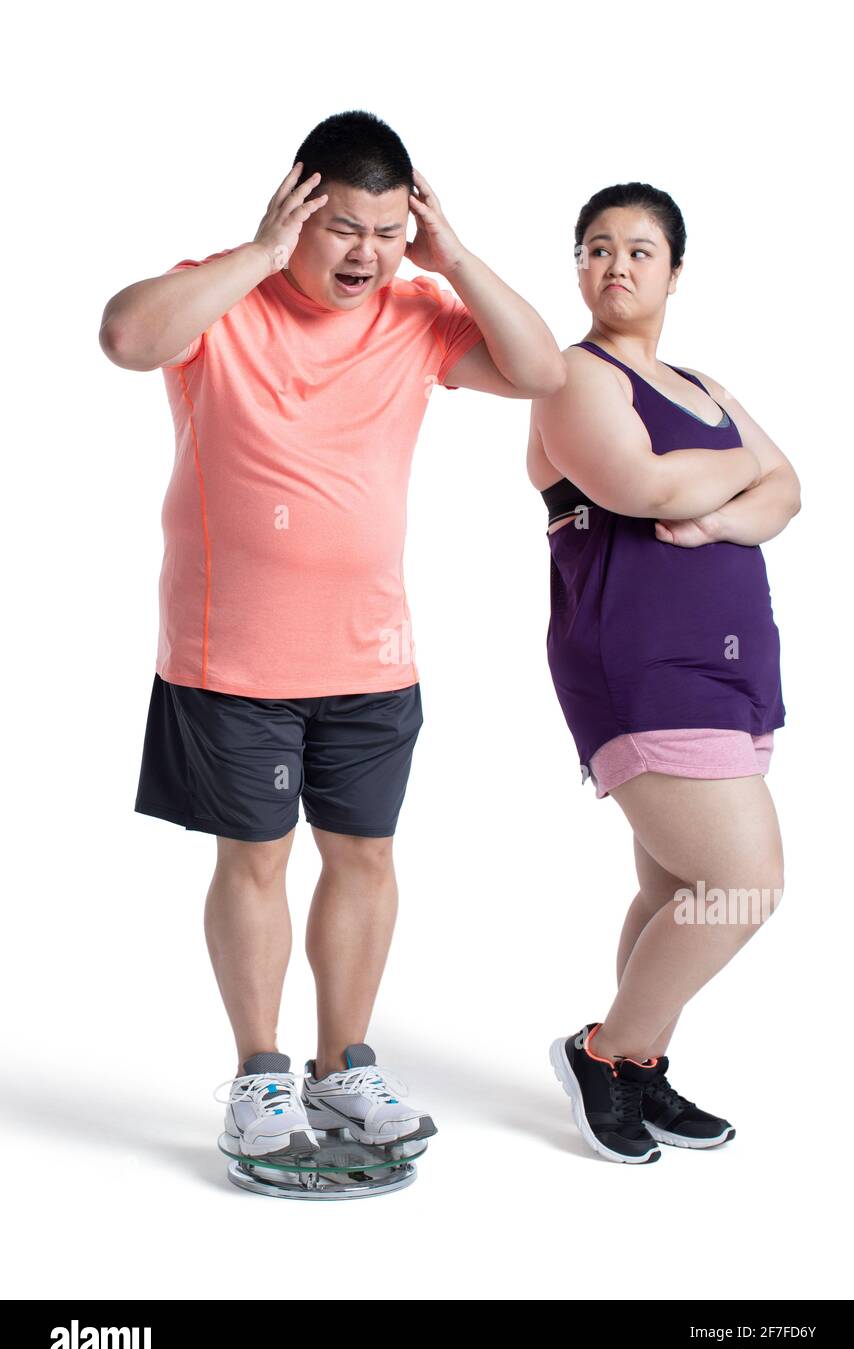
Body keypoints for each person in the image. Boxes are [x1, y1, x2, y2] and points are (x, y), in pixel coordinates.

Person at [99, 110, 565, 1159]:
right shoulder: (221, 299)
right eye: (343, 227)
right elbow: (125, 337)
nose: (366, 252)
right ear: (298, 207)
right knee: (255, 861)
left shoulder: (417, 310)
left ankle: (344, 1066)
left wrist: (453, 257)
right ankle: (261, 1076)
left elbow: (540, 371)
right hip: (233, 659)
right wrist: (255, 253)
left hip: (370, 655)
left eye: (387, 230)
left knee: (364, 855)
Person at [527, 182, 800, 1165]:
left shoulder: (705, 386)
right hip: (634, 658)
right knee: (739, 882)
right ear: (577, 267)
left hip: (726, 666)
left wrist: (717, 513)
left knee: (675, 884)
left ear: (672, 271)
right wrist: (723, 479)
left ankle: (640, 1068)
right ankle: (604, 1052)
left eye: (638, 250)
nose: (615, 266)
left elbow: (786, 488)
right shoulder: (573, 374)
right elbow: (634, 485)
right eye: (595, 248)